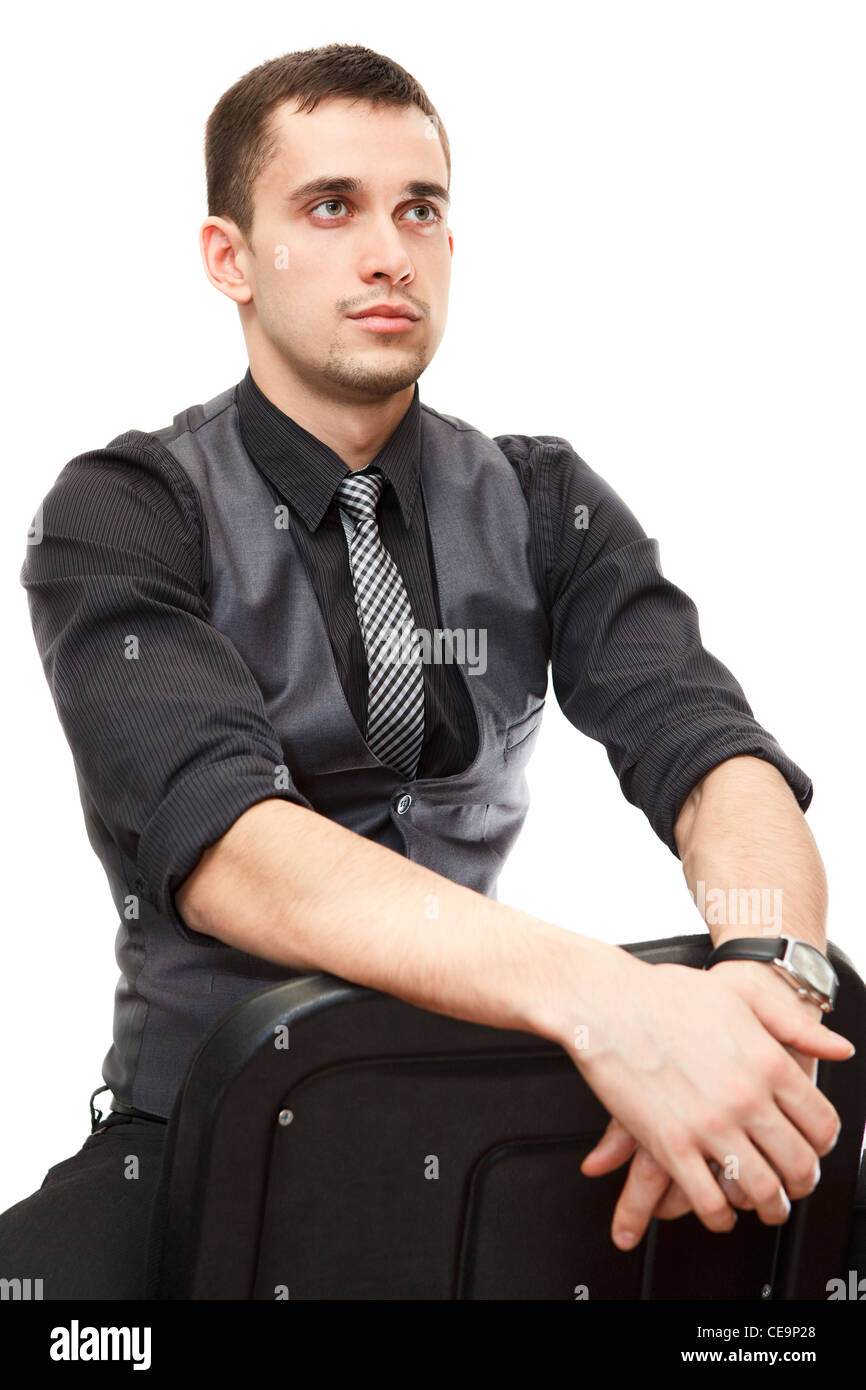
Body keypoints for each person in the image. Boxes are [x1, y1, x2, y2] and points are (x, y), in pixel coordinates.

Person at [2, 42, 861, 1300]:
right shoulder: (123, 509)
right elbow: (235, 849)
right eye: (330, 206)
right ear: (228, 258)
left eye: (421, 209)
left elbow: (711, 756)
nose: (389, 250)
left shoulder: (543, 501)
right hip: (207, 1112)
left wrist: (766, 980)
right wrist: (608, 999)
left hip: (505, 1102)